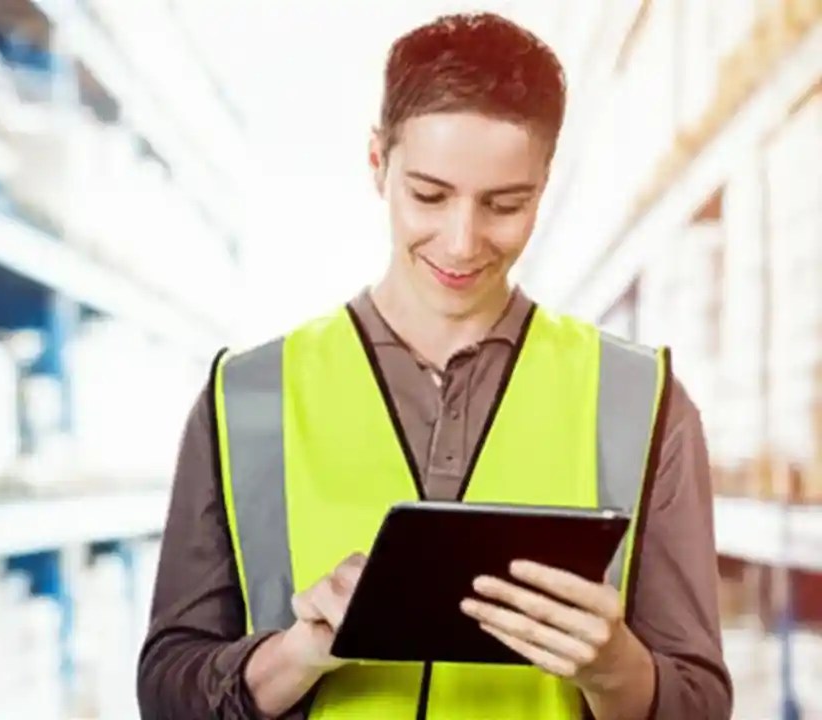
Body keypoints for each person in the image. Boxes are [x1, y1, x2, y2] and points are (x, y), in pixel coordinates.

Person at [136, 11, 733, 720]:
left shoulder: (642, 400)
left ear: (544, 187)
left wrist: (614, 670)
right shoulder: (247, 397)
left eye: (505, 205)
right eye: (429, 195)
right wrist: (300, 652)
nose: (461, 241)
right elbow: (167, 689)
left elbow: (700, 700)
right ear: (376, 164)